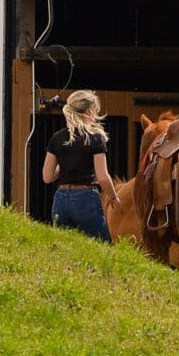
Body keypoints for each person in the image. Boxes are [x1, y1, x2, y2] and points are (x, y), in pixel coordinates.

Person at [42, 89, 120, 242]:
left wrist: (66, 165)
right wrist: (113, 196)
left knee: (65, 249)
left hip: (60, 199)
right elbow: (102, 176)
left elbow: (47, 177)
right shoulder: (95, 137)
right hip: (85, 197)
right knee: (101, 246)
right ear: (90, 111)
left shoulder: (57, 138)